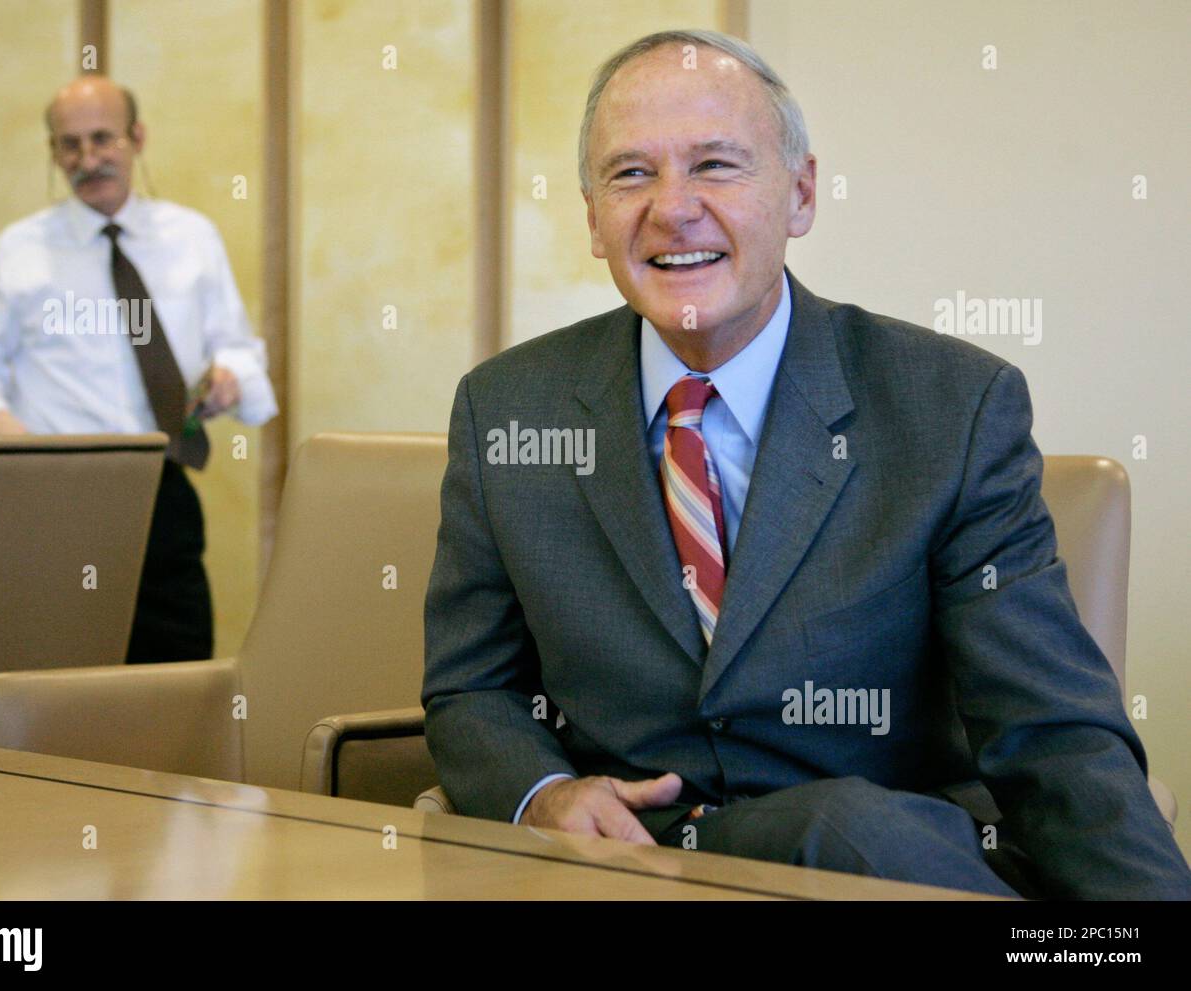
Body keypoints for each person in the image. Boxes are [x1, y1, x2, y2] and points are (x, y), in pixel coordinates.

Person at [421, 29, 1191, 899]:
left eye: (716, 165)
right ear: (592, 217)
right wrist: (542, 795)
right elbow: (472, 685)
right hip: (632, 866)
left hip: (885, 866)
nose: (673, 208)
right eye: (631, 173)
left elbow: (1050, 729)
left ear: (801, 193)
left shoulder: (951, 406)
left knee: (851, 831)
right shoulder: (507, 409)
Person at [0, 74, 277, 663]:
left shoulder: (193, 237)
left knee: (175, 677)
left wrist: (229, 375)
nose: (88, 158)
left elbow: (239, 348)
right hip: (53, 501)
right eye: (70, 145)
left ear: (137, 137)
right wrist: (24, 446)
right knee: (59, 674)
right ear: (53, 153)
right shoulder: (17, 251)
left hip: (163, 492)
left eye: (103, 138)